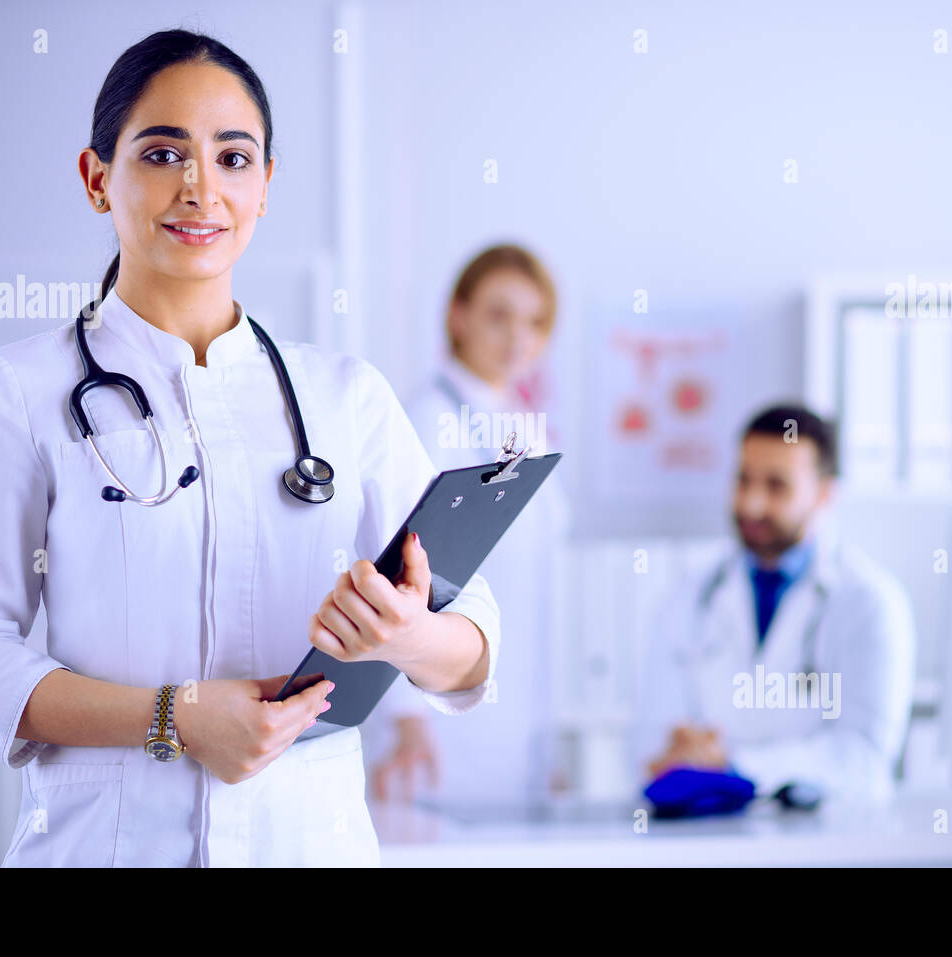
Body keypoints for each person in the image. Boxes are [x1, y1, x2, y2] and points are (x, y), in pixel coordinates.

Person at [0, 29, 500, 867]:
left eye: (233, 158)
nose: (200, 188)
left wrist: (407, 637)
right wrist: (173, 717)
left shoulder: (347, 399)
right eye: (162, 154)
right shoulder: (9, 394)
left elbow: (471, 637)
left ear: (264, 188)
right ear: (96, 179)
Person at [365, 244, 570, 807]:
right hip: (439, 722)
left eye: (535, 322)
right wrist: (407, 721)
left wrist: (551, 740)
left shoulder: (527, 428)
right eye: (499, 315)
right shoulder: (427, 419)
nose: (518, 338)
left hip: (519, 716)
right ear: (458, 316)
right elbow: (396, 573)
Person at [631, 404, 916, 803]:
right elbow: (649, 742)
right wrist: (677, 753)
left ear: (824, 494)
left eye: (776, 486)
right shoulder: (689, 597)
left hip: (833, 833)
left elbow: (864, 757)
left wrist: (734, 765)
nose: (752, 504)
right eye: (743, 480)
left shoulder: (869, 603)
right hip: (707, 833)